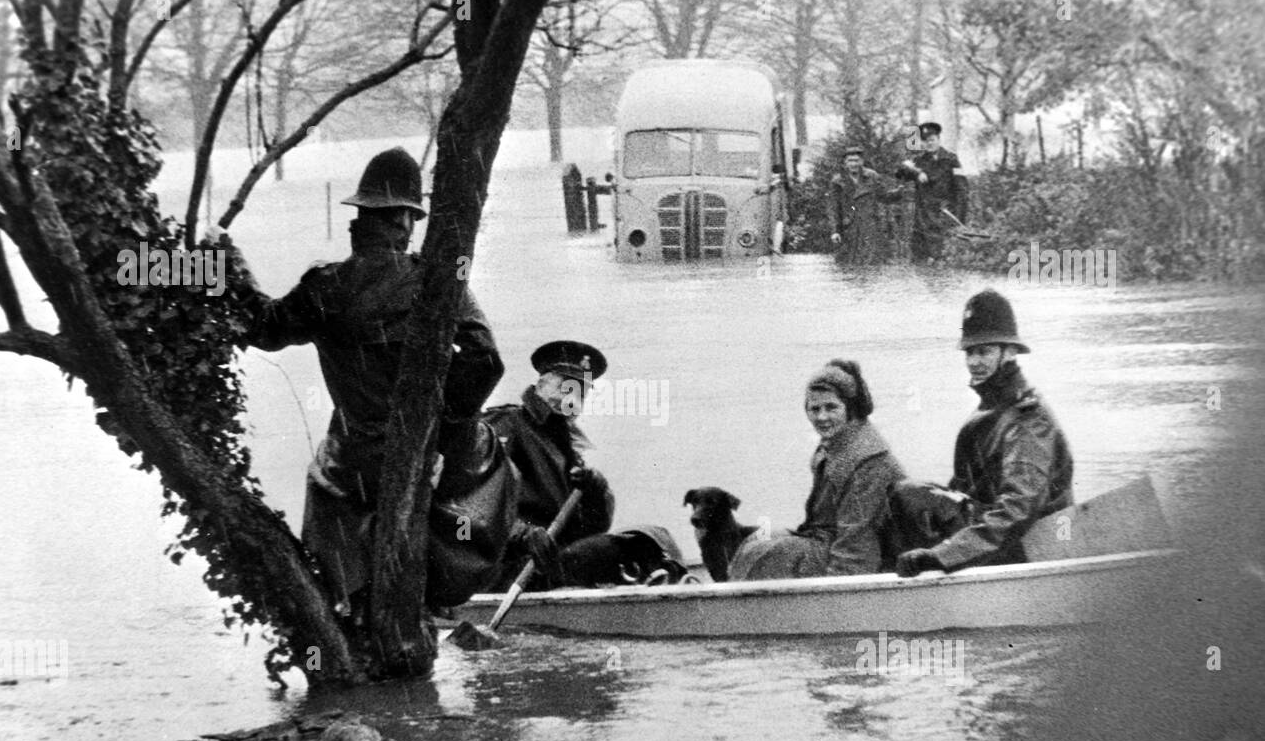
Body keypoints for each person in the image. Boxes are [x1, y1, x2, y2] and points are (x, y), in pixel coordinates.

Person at [226, 146, 517, 649]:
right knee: (493, 465)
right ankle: (444, 584)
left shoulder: (327, 286)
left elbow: (262, 326)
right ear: (406, 221)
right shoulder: (437, 279)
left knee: (324, 483)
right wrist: (444, 426)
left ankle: (348, 603)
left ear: (361, 218)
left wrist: (223, 261)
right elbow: (485, 360)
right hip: (426, 452)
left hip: (357, 455)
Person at [895, 289, 1074, 577]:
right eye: (969, 352)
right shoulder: (991, 410)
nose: (974, 362)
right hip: (995, 537)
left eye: (984, 351)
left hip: (1031, 545)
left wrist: (942, 556)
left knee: (909, 497)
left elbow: (1019, 508)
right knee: (905, 496)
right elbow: (962, 489)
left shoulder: (1028, 419)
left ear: (1010, 352)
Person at [484, 341, 684, 589]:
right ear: (542, 384)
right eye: (566, 388)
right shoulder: (506, 426)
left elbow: (593, 528)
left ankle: (665, 585)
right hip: (510, 567)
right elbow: (469, 510)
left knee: (651, 536)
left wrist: (595, 493)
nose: (572, 400)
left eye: (580, 393)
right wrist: (523, 535)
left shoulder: (568, 449)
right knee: (629, 546)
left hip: (551, 561)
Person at [729, 359, 906, 580]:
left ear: (849, 408)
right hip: (827, 539)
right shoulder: (837, 442)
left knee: (769, 554)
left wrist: (831, 598)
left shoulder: (867, 461)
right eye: (815, 409)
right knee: (759, 540)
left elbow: (858, 546)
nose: (822, 417)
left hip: (866, 556)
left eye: (831, 407)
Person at [895, 122, 968, 265]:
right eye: (925, 141)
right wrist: (917, 173)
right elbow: (899, 173)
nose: (929, 144)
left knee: (943, 259)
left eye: (932, 140)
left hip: (944, 215)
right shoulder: (919, 161)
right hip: (922, 218)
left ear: (938, 140)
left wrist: (959, 219)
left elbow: (962, 190)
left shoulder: (951, 160)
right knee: (919, 259)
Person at [829, 146, 899, 266]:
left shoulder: (872, 176)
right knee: (848, 264)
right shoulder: (838, 181)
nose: (853, 164)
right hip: (849, 228)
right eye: (850, 161)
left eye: (856, 160)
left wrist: (901, 192)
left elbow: (884, 196)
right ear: (845, 163)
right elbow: (834, 207)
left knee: (871, 264)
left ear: (862, 161)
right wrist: (835, 231)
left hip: (870, 226)